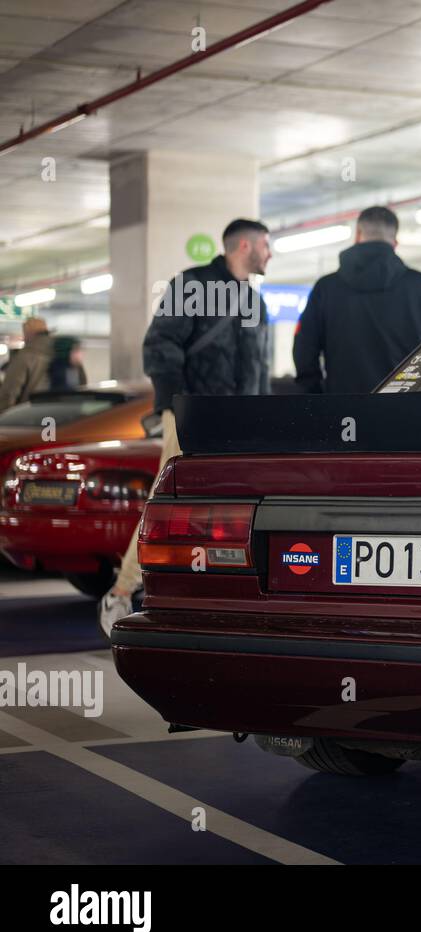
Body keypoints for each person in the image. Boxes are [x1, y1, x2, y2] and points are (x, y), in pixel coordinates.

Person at [98, 218, 272, 635]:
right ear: (244, 246)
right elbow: (160, 345)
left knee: (233, 507)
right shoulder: (192, 285)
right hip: (192, 412)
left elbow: (258, 369)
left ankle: (219, 594)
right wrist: (177, 403)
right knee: (167, 497)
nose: (270, 252)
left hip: (240, 422)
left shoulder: (253, 300)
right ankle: (122, 591)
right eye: (266, 244)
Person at [293, 206, 421, 394]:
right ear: (395, 242)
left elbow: (304, 349)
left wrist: (316, 395)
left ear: (357, 235)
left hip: (343, 409)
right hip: (406, 408)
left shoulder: (326, 288)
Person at [0, 317, 53, 410]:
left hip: (27, 415)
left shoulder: (25, 357)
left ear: (29, 333)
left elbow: (10, 392)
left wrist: (4, 417)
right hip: (55, 415)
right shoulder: (60, 355)